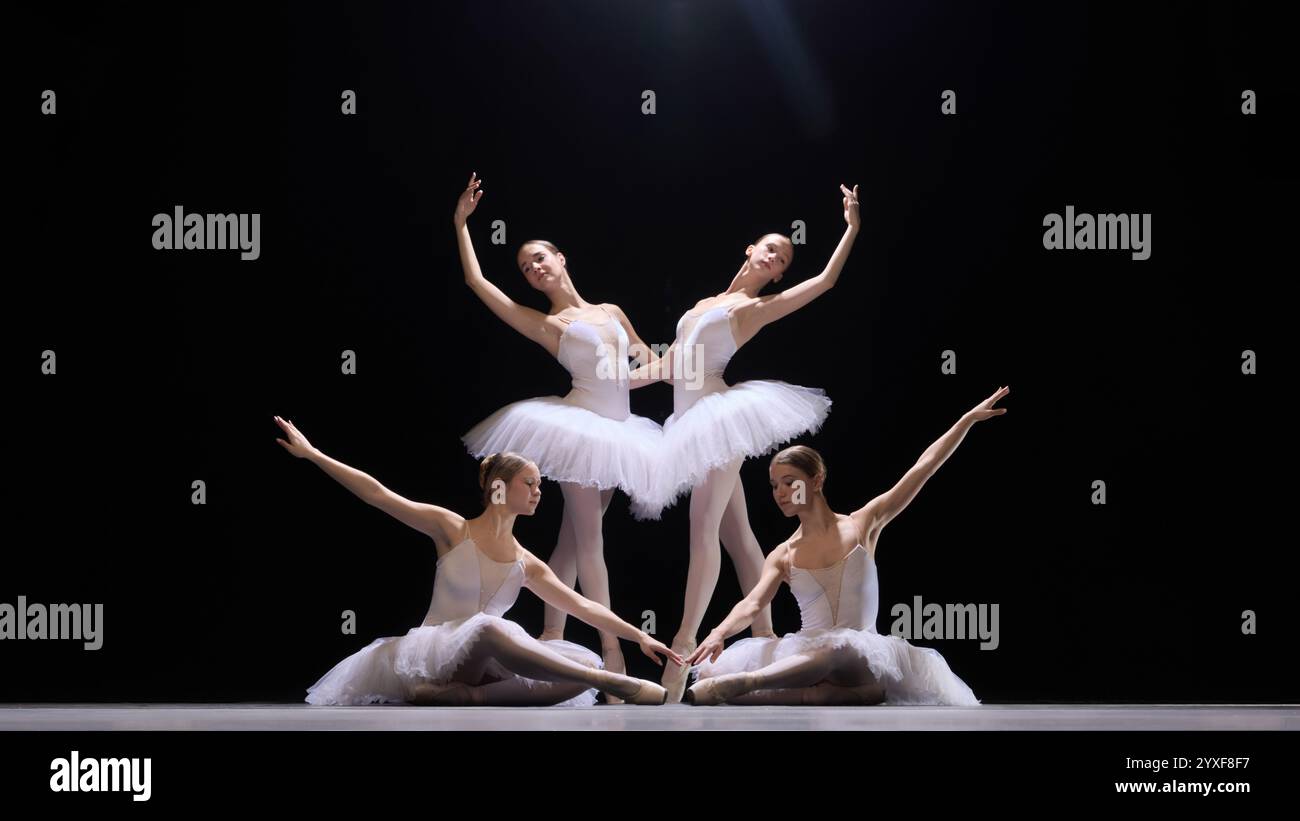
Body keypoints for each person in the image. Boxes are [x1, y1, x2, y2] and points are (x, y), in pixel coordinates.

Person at [274, 415, 682, 705]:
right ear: (501, 487)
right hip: (432, 655)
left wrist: (639, 636)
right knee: (487, 626)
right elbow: (378, 494)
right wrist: (313, 454)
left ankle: (470, 697)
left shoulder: (526, 562)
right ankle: (608, 681)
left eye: (540, 484)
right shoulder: (453, 529)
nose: (539, 491)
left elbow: (584, 606)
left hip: (485, 666)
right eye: (531, 483)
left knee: (578, 656)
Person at [639, 184, 862, 701]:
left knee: (703, 530)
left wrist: (850, 227)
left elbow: (826, 282)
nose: (774, 257)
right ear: (750, 250)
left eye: (782, 258)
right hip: (688, 424)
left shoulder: (752, 309)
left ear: (779, 274)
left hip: (719, 420)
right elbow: (671, 364)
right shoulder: (703, 305)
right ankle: (764, 636)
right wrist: (616, 380)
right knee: (738, 537)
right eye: (770, 248)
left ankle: (682, 648)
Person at [454, 173, 667, 697]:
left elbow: (640, 361)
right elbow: (480, 287)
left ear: (561, 258)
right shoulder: (550, 325)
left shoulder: (610, 311)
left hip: (622, 434)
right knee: (590, 541)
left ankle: (552, 634)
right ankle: (613, 659)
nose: (534, 269)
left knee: (571, 542)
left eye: (540, 259)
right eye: (526, 268)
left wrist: (684, 364)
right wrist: (461, 225)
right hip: (580, 433)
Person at [683, 387, 1008, 706]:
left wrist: (965, 420)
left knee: (839, 649)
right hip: (806, 653)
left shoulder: (862, 524)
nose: (779, 493)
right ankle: (841, 695)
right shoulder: (783, 553)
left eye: (789, 482)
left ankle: (751, 684)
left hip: (860, 656)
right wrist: (718, 632)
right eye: (774, 485)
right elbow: (752, 603)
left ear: (816, 480)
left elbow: (922, 469)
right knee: (714, 668)